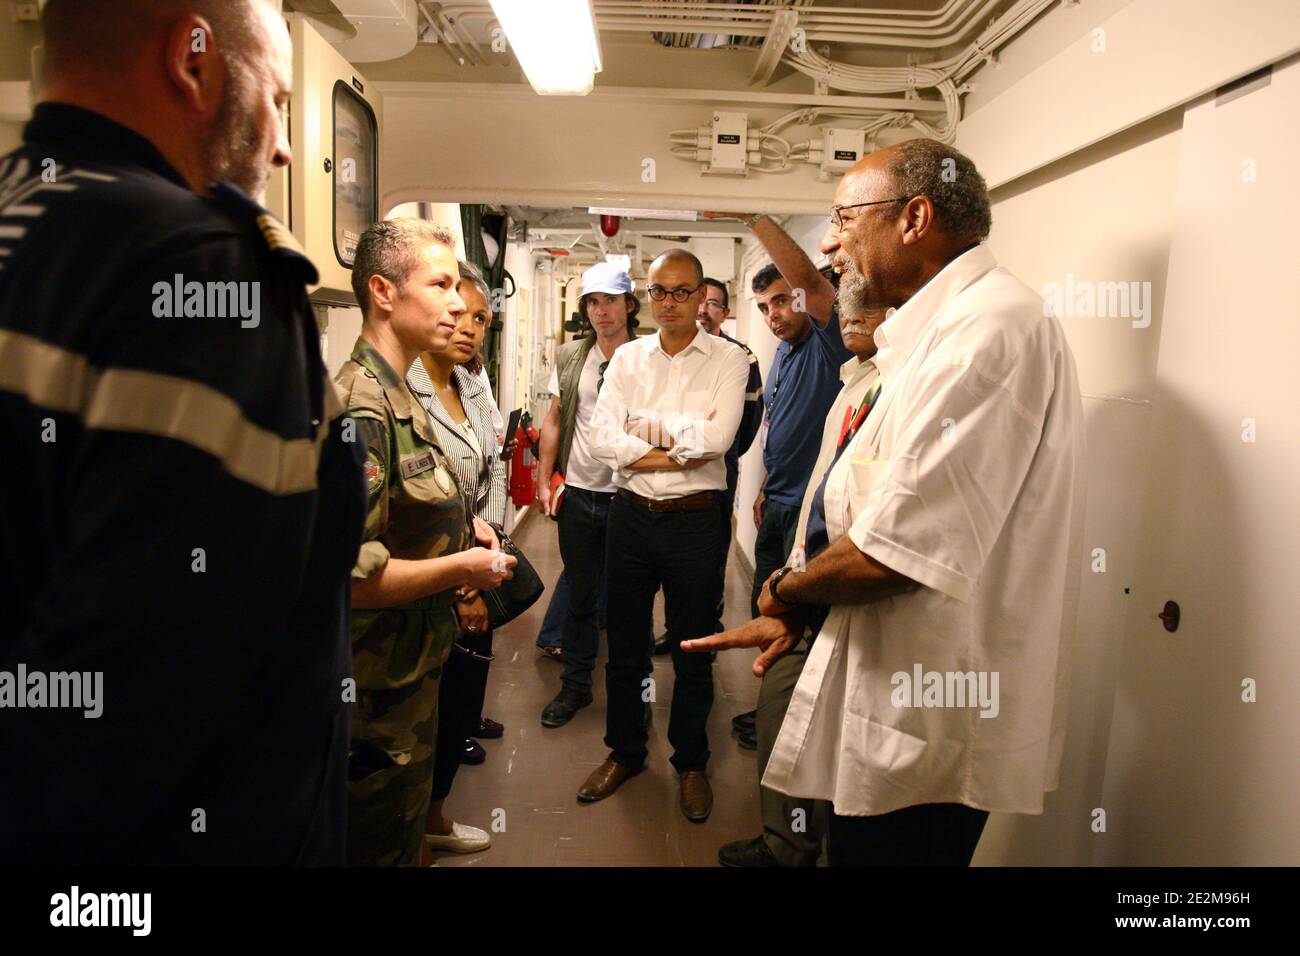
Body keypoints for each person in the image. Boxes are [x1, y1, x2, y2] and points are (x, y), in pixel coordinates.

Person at [0, 0, 366, 865]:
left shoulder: (26, 220)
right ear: (190, 56)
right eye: (276, 98)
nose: (282, 145)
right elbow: (149, 692)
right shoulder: (197, 271)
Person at [686, 138, 1087, 867]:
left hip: (932, 709)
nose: (833, 241)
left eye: (844, 218)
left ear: (915, 218)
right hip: (897, 690)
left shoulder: (989, 326)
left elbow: (893, 553)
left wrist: (784, 591)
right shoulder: (923, 337)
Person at [338, 219, 515, 867]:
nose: (455, 303)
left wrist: (465, 526)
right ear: (383, 292)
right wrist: (462, 566)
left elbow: (410, 513)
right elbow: (351, 577)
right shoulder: (363, 407)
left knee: (405, 836)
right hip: (377, 687)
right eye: (438, 284)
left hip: (412, 670)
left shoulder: (401, 393)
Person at [717, 301, 889, 866]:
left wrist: (788, 589)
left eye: (868, 310)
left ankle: (802, 844)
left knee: (836, 740)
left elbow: (881, 543)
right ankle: (785, 843)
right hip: (807, 582)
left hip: (845, 595)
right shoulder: (848, 385)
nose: (851, 321)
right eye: (848, 313)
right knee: (778, 707)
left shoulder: (904, 389)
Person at [580, 249, 749, 821]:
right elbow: (603, 439)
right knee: (625, 645)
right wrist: (679, 447)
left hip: (697, 522)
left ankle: (691, 762)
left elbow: (721, 437)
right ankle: (624, 753)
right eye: (659, 292)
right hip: (630, 518)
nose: (670, 303)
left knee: (694, 644)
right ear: (646, 297)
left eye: (682, 292)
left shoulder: (730, 360)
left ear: (703, 296)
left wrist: (641, 440)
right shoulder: (627, 359)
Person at [405, 260, 507, 854]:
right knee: (425, 709)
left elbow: (489, 466)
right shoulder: (406, 388)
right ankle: (418, 825)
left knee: (461, 701)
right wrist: (467, 582)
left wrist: (488, 551)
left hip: (478, 561)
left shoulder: (472, 382)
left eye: (481, 318)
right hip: (438, 576)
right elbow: (422, 505)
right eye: (459, 312)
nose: (468, 327)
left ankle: (434, 816)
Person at [534, 262, 639, 729]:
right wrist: (543, 478)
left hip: (628, 496)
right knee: (579, 595)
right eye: (593, 303)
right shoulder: (571, 357)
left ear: (629, 305)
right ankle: (575, 687)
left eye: (610, 301)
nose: (601, 311)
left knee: (625, 602)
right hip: (579, 493)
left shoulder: (646, 357)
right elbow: (555, 419)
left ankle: (627, 696)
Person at [651, 276, 763, 660]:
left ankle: (703, 629)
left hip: (717, 478)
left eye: (713, 303)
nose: (703, 309)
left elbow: (745, 425)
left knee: (707, 562)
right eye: (699, 300)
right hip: (661, 483)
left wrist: (717, 446)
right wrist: (691, 438)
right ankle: (673, 630)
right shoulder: (665, 352)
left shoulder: (739, 358)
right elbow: (648, 421)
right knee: (665, 564)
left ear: (724, 313)